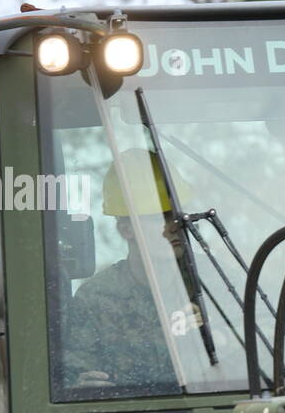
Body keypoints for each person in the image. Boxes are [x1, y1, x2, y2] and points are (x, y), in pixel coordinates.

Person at [66, 148, 199, 392]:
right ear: (126, 230)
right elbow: (76, 378)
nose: (173, 227)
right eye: (158, 218)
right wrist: (82, 385)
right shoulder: (95, 300)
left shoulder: (215, 287)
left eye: (177, 216)